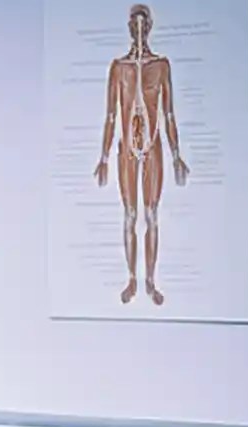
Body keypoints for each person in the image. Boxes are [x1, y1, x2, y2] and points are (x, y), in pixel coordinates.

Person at [94, 3, 189, 307]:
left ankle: (150, 280)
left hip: (153, 148)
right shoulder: (118, 67)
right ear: (128, 27)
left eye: (143, 23)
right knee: (130, 215)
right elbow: (110, 116)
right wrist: (104, 157)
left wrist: (176, 155)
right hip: (126, 150)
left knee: (151, 215)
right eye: (133, 23)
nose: (138, 28)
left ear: (149, 27)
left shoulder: (161, 65)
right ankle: (132, 279)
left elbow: (170, 114)